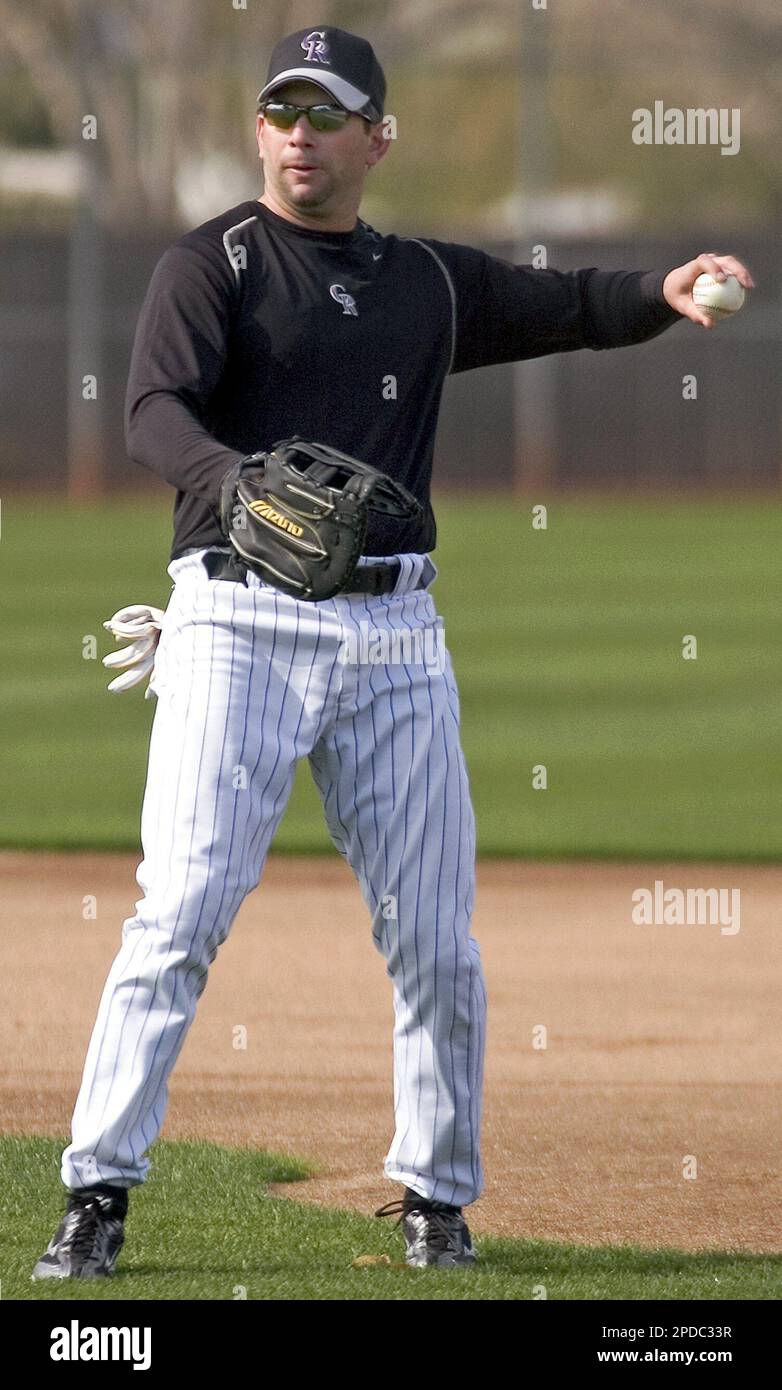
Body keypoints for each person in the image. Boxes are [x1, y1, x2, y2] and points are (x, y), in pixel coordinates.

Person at [33, 24, 754, 1279]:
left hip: (391, 632)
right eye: (281, 111)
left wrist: (659, 291)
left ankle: (434, 1195)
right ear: (258, 129)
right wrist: (231, 476)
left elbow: (558, 304)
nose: (300, 134)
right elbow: (152, 411)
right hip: (239, 618)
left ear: (378, 136)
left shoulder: (420, 278)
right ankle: (96, 1191)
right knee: (181, 910)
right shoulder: (215, 265)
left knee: (433, 938)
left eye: (327, 114)